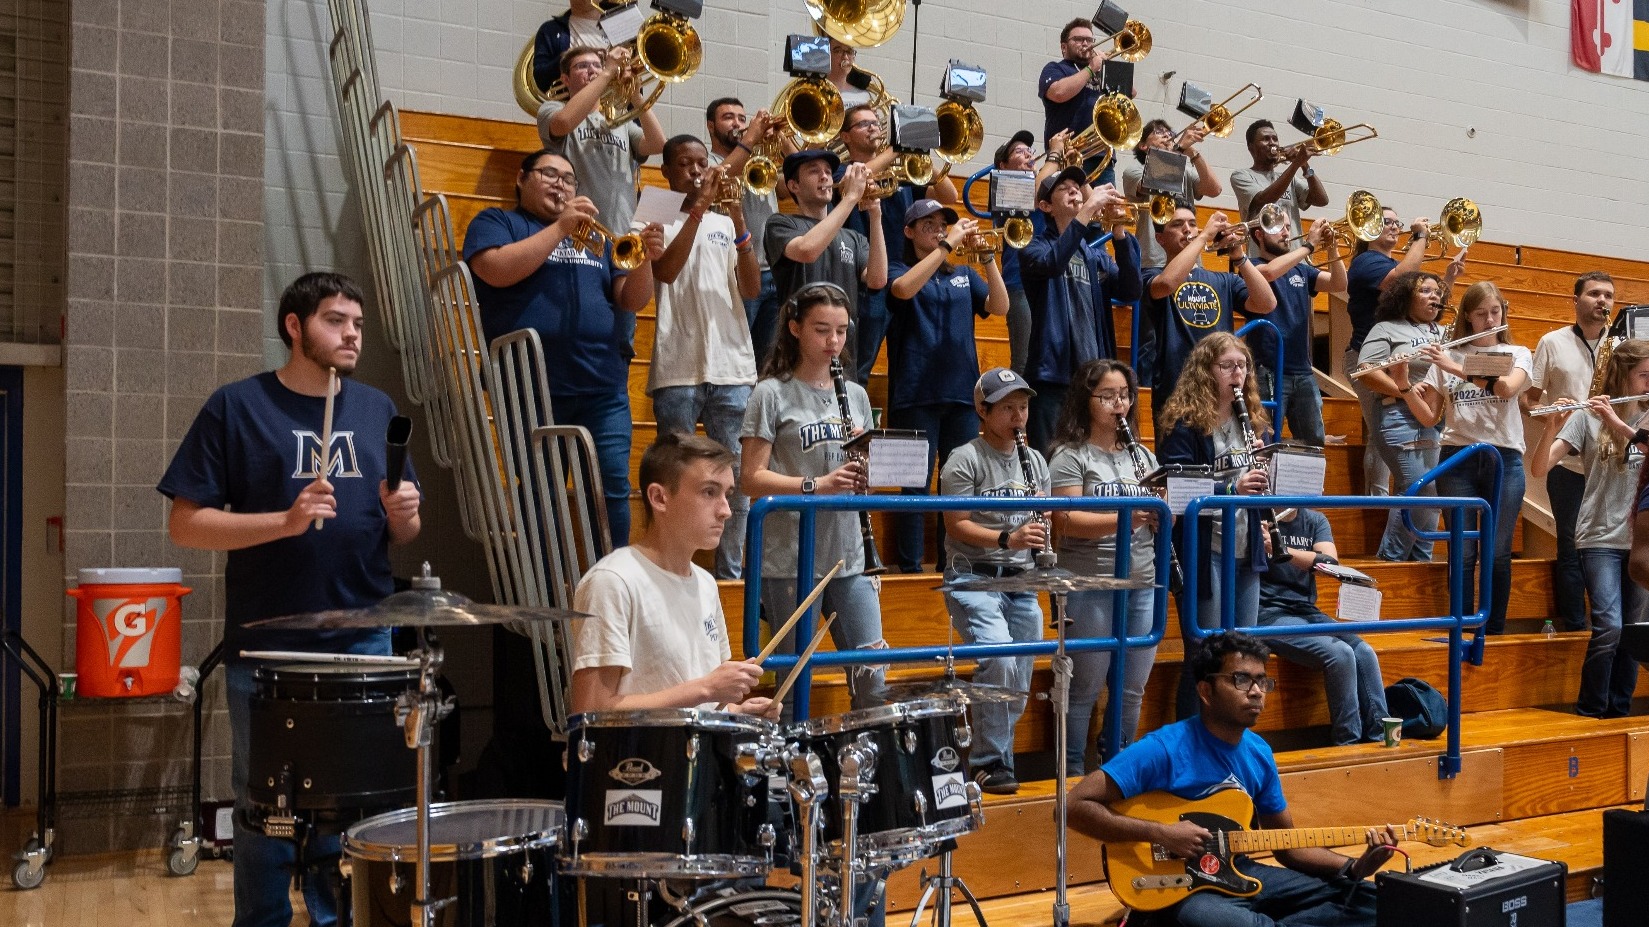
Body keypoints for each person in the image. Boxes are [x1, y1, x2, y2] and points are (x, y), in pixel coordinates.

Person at [158, 272, 422, 927]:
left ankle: (337, 917)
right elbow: (186, 524)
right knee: (265, 806)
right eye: (336, 320)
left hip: (363, 636)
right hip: (268, 642)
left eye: (358, 324)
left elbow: (403, 530)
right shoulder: (237, 407)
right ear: (294, 327)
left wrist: (405, 513)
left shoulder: (377, 408)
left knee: (351, 801)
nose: (352, 334)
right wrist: (284, 520)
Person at [1069, 631, 1397, 927]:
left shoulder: (1258, 752)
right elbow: (1073, 806)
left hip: (1240, 872)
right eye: (1241, 680)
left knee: (1374, 899)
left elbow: (1287, 847)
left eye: (1262, 681)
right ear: (1206, 691)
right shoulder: (1164, 748)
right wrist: (1161, 833)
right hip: (1182, 890)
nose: (1256, 692)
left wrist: (1354, 867)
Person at [463, 149, 663, 547]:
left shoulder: (597, 238)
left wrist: (646, 261)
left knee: (611, 488)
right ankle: (547, 583)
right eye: (549, 174)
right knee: (542, 490)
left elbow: (630, 300)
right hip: (528, 387)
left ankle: (611, 575)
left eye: (569, 179)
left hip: (602, 386)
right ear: (521, 178)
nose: (561, 184)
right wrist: (560, 228)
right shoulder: (498, 222)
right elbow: (495, 270)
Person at [740, 283, 889, 712]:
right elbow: (750, 478)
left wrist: (869, 473)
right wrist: (816, 486)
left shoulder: (856, 396)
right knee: (794, 684)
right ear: (795, 328)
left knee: (873, 679)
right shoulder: (770, 393)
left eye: (841, 331)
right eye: (822, 330)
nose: (834, 341)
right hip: (790, 557)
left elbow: (869, 479)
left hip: (850, 554)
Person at [571, 433, 777, 715]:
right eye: (709, 492)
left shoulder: (706, 584)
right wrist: (704, 689)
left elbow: (706, 705)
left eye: (727, 495)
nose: (726, 511)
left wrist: (735, 712)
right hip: (642, 746)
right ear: (659, 498)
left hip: (694, 744)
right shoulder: (612, 582)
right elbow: (590, 709)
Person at [648, 136, 762, 578]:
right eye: (685, 164)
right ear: (666, 171)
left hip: (733, 365)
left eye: (702, 163)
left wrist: (738, 220)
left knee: (736, 478)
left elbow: (751, 288)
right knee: (676, 475)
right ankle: (675, 567)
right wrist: (697, 210)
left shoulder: (725, 220)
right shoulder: (655, 208)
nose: (696, 171)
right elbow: (664, 270)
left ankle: (730, 574)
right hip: (677, 365)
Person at [940, 368, 1051, 795]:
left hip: (1021, 580)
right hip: (973, 576)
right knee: (1000, 658)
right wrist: (1008, 538)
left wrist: (1040, 528)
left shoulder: (1035, 461)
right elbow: (956, 523)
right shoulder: (964, 458)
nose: (1018, 416)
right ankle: (988, 761)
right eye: (1007, 408)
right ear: (982, 410)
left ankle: (997, 753)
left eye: (1022, 407)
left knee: (1020, 674)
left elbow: (1044, 518)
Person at [885, 199, 1008, 573]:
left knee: (957, 485)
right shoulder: (898, 268)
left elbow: (1000, 306)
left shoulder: (963, 275)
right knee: (913, 485)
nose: (939, 228)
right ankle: (909, 568)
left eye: (943, 224)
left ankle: (951, 564)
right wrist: (947, 244)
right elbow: (902, 289)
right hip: (914, 392)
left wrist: (987, 258)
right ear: (908, 231)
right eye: (929, 224)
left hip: (961, 394)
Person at [1048, 359, 1160, 770]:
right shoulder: (1069, 456)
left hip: (1142, 579)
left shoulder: (1143, 456)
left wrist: (1163, 511)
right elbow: (1064, 520)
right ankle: (1071, 770)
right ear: (1087, 400)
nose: (1119, 404)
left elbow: (1162, 512)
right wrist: (1126, 518)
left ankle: (1118, 764)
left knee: (1132, 688)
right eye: (1108, 396)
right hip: (1089, 582)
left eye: (1125, 396)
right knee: (1085, 686)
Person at [1530, 338, 1649, 718]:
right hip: (1598, 535)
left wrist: (1617, 422)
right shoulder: (1587, 417)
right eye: (1644, 375)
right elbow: (1539, 468)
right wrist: (1552, 425)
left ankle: (1618, 711)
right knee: (1609, 627)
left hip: (1641, 540)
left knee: (1634, 629)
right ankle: (1590, 709)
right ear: (1623, 374)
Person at [1405, 281, 1531, 634]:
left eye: (1495, 311)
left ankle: (1493, 631)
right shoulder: (1449, 355)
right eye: (1481, 314)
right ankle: (1459, 629)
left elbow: (1506, 387)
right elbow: (1429, 417)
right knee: (1461, 552)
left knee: (1497, 550)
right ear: (1468, 318)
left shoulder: (1517, 353)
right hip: (1457, 457)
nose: (1490, 320)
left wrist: (1455, 366)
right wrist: (1402, 384)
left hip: (1503, 458)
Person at [1158, 333, 1272, 719]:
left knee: (1243, 651)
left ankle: (1229, 734)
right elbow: (1178, 486)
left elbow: (1259, 489)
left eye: (1242, 365)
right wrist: (1231, 488)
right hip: (1204, 550)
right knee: (1206, 655)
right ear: (1206, 370)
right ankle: (1193, 737)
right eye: (1227, 366)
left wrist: (1267, 473)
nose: (1237, 373)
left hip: (1245, 548)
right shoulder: (1185, 424)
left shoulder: (1252, 422)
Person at [835, 102, 958, 382]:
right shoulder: (842, 172)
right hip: (865, 280)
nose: (873, 128)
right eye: (864, 124)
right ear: (845, 136)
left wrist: (922, 151)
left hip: (903, 274)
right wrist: (898, 147)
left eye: (875, 123)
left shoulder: (902, 171)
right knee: (856, 367)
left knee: (907, 365)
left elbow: (948, 196)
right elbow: (858, 178)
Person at [1345, 206, 1464, 496]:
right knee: (1379, 436)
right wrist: (1421, 236)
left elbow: (1424, 305)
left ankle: (1397, 499)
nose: (1394, 226)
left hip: (1399, 360)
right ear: (1367, 227)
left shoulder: (1392, 263)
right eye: (1386, 221)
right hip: (1370, 357)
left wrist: (1448, 279)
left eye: (1397, 222)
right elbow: (1400, 281)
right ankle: (1379, 498)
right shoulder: (1365, 261)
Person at [1020, 166, 1140, 451]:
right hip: (1053, 375)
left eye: (1077, 186)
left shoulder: (1095, 256)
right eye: (1064, 188)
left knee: (1096, 455)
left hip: (1094, 379)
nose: (1074, 190)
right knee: (1052, 456)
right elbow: (1053, 263)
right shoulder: (1032, 247)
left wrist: (1119, 232)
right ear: (1046, 206)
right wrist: (1087, 211)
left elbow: (1131, 290)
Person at [1259, 508, 1390, 746]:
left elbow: (1329, 562)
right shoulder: (1258, 517)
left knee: (1364, 652)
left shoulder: (1315, 520)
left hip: (1306, 610)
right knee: (1341, 654)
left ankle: (1381, 738)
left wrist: (1281, 549)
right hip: (1268, 612)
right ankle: (1347, 743)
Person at [1529, 271, 1615, 631]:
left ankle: (1607, 624)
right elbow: (1528, 401)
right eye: (1594, 293)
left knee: (1611, 546)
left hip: (1612, 463)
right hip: (1568, 461)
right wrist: (1553, 413)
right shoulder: (1552, 342)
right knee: (1569, 543)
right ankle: (1575, 627)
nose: (1602, 301)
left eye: (1608, 295)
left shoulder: (1623, 345)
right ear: (1575, 300)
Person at [1144, 205, 1276, 418]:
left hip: (1220, 389)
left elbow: (1267, 303)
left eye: (1192, 224)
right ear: (1160, 239)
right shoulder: (1150, 276)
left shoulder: (1225, 280)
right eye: (1177, 224)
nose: (1187, 229)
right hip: (1174, 388)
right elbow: (1167, 284)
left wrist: (1240, 257)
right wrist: (1204, 236)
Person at [764, 149, 887, 376]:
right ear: (793, 186)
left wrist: (875, 215)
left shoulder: (853, 238)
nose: (825, 177)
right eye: (814, 171)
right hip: (797, 357)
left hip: (843, 356)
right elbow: (807, 250)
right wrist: (850, 198)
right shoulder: (781, 224)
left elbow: (877, 280)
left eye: (828, 172)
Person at [1356, 271, 1447, 562]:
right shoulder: (1387, 328)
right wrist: (1403, 389)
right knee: (1422, 488)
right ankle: (1390, 561)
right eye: (1425, 291)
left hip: (1441, 419)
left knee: (1433, 495)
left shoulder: (1446, 332)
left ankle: (1420, 565)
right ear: (1406, 296)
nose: (1435, 296)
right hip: (1399, 416)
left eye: (1437, 292)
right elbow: (1365, 371)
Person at [537, 45, 666, 241]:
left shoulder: (619, 121)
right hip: (576, 229)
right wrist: (607, 72)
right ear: (565, 79)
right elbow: (563, 123)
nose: (592, 70)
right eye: (582, 66)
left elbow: (658, 144)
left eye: (597, 65)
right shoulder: (552, 108)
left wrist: (636, 96)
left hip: (622, 230)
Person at [1247, 218, 1348, 447]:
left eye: (1287, 227)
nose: (1286, 232)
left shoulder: (1302, 270)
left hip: (1303, 370)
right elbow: (1270, 273)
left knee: (1313, 444)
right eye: (1278, 227)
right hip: (1267, 370)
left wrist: (1332, 248)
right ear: (1259, 235)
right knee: (1264, 442)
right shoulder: (1252, 265)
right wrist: (1309, 246)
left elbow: (1339, 284)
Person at [705, 98, 786, 364]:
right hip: (735, 273)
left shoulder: (761, 161)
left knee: (768, 362)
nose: (737, 123)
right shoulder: (707, 161)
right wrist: (751, 137)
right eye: (728, 117)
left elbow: (793, 185)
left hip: (773, 273)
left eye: (742, 118)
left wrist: (783, 139)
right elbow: (719, 178)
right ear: (710, 126)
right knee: (733, 355)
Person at [991, 130, 1054, 374]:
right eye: (1019, 151)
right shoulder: (1002, 184)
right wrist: (1055, 155)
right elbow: (1033, 194)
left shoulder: (1047, 185)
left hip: (1049, 279)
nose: (1028, 154)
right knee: (1023, 360)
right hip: (1019, 281)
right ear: (1003, 165)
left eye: (1029, 150)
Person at [1120, 120, 1221, 271]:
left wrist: (1193, 153)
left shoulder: (1185, 172)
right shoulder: (1134, 171)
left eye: (1169, 133)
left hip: (1190, 258)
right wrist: (1179, 149)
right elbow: (1154, 182)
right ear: (1143, 146)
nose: (1167, 135)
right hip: (1154, 261)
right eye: (1159, 132)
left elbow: (1214, 190)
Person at [1229, 119, 1329, 253]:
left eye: (1275, 139)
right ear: (1251, 147)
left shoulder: (1289, 178)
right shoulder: (1241, 175)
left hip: (1295, 256)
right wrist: (1295, 164)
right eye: (1266, 139)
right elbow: (1264, 201)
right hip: (1262, 259)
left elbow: (1321, 200)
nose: (1272, 143)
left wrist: (1305, 165)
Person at [1038, 18, 1116, 185]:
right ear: (1064, 47)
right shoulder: (1055, 68)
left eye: (1089, 40)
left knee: (1107, 202)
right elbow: (1058, 93)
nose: (1086, 44)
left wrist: (1109, 67)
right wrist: (1091, 68)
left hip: (1101, 155)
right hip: (1067, 155)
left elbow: (1131, 93)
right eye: (1079, 39)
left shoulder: (1101, 71)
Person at [528, 0, 612, 102]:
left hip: (617, 107)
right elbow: (540, 79)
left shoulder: (620, 24)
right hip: (572, 108)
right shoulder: (550, 30)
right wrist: (567, 58)